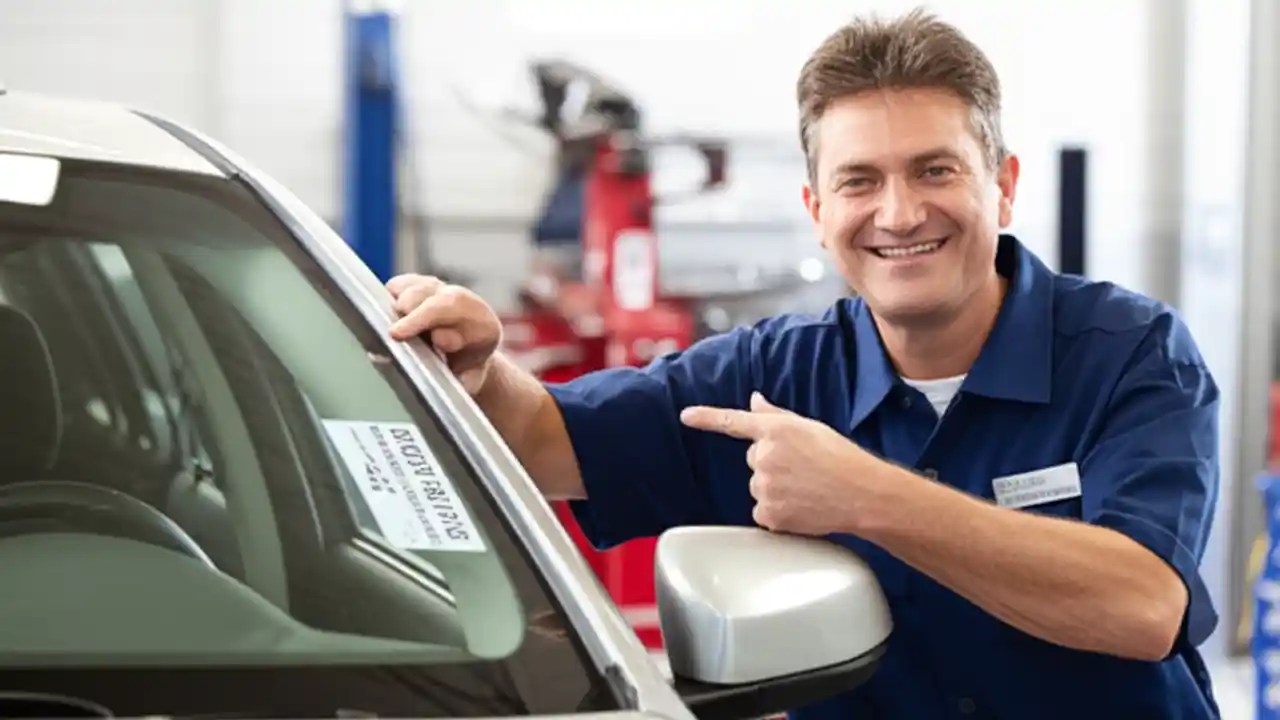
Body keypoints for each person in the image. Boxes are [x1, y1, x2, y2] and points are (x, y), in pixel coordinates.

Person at [385, 8, 1221, 719]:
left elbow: (1143, 604)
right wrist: (475, 364)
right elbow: (540, 435)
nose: (899, 212)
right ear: (818, 211)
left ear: (1001, 186)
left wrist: (862, 496)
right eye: (860, 181)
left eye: (936, 170)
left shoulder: (1129, 353)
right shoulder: (777, 378)